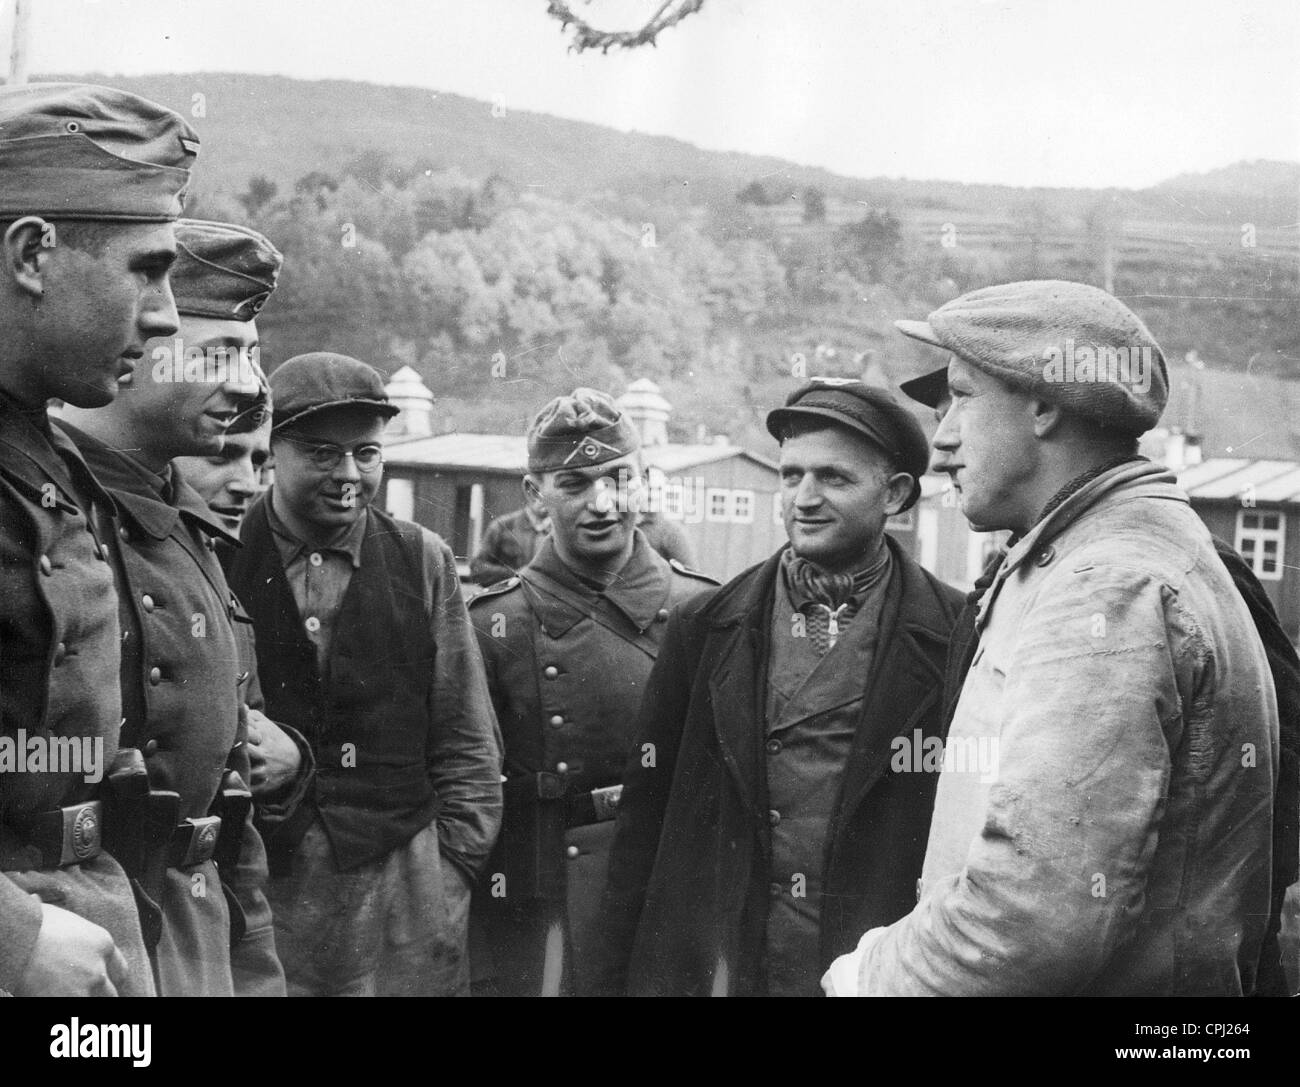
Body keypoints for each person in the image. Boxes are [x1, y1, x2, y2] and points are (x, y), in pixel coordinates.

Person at [823, 279, 1279, 996]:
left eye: (963, 397)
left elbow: (1038, 915)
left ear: (1044, 404)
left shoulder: (1107, 583)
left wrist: (872, 973)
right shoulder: (1110, 550)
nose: (939, 437)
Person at [597, 379, 964, 996]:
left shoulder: (955, 633)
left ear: (895, 495)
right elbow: (645, 822)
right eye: (791, 476)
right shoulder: (704, 625)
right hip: (718, 968)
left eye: (834, 479)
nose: (805, 499)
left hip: (871, 971)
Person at [0, 82, 197, 998]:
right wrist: (12, 939)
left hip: (89, 922)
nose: (165, 316)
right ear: (34, 253)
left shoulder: (49, 452)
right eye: (146, 269)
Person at [224, 352, 502, 996]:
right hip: (266, 892)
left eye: (367, 454)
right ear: (272, 451)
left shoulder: (422, 558)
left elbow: (467, 739)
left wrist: (450, 872)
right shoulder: (223, 545)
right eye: (322, 453)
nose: (349, 474)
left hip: (402, 900)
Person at [57, 218, 286, 996]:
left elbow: (231, 815)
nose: (252, 389)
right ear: (138, 333)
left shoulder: (192, 538)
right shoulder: (44, 516)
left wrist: (255, 977)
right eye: (221, 354)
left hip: (194, 939)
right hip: (80, 946)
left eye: (252, 359)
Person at [469, 387, 717, 996]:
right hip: (535, 895)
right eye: (574, 484)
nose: (601, 504)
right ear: (535, 497)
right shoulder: (492, 623)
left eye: (618, 478)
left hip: (665, 884)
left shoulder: (704, 610)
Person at [469, 492, 551, 586]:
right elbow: (477, 569)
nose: (542, 499)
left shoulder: (561, 530)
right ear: (528, 493)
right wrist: (516, 575)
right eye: (536, 493)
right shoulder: (502, 526)